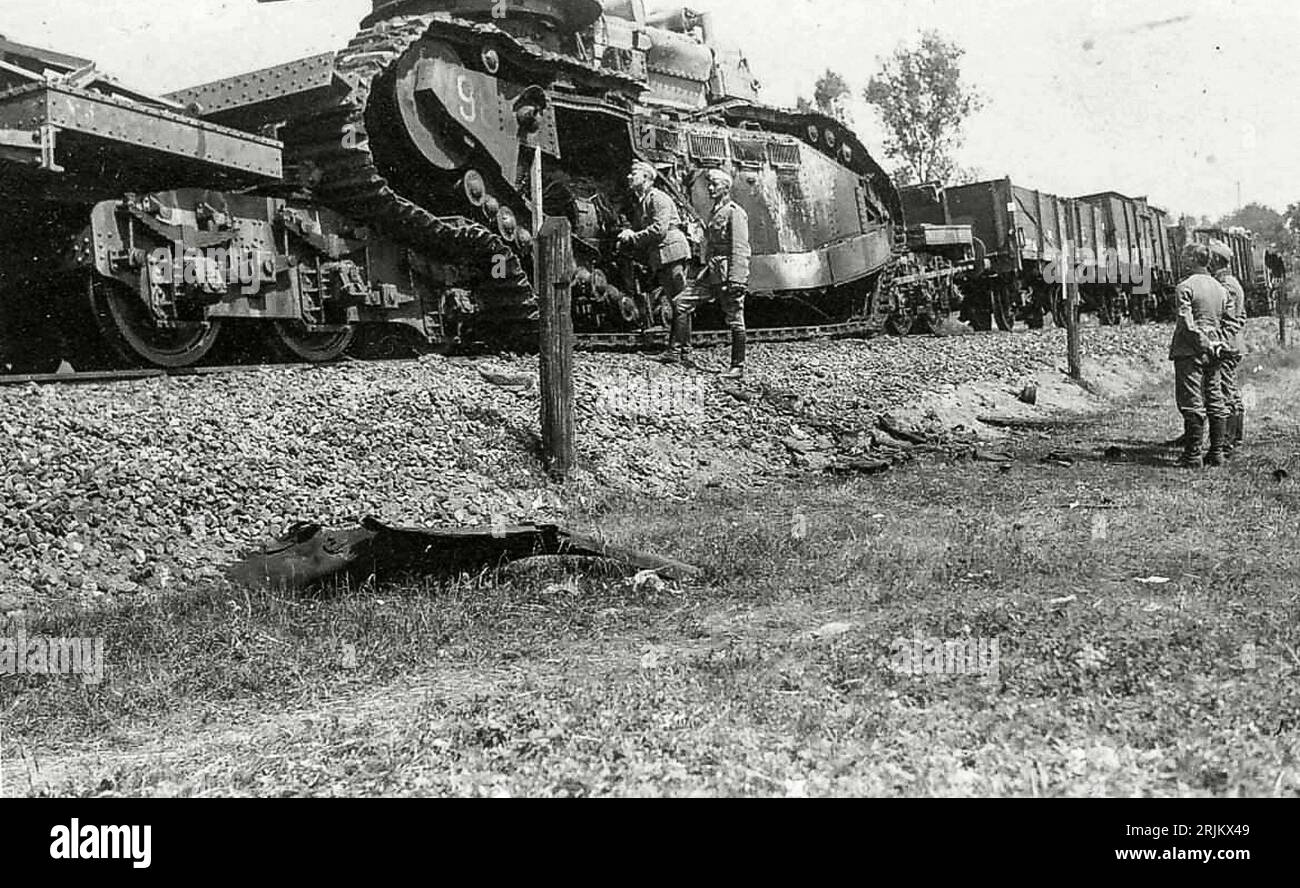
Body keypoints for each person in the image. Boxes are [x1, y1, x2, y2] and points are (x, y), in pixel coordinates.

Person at [668, 168, 751, 378]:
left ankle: (737, 367)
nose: (711, 189)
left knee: (735, 319)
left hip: (727, 275)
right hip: (711, 273)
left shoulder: (735, 212)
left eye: (714, 185)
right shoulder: (715, 212)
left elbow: (740, 248)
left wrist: (737, 279)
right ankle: (678, 353)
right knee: (680, 303)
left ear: (725, 187)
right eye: (710, 185)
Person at [616, 161, 692, 349]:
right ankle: (678, 347)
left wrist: (633, 237)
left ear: (646, 178)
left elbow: (659, 229)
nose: (629, 176)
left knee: (680, 302)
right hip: (662, 254)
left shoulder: (658, 198)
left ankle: (681, 348)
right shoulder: (644, 201)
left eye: (634, 173)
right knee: (676, 301)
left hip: (672, 251)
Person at [1168, 242, 1230, 468]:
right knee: (1215, 398)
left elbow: (1186, 322)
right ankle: (1216, 453)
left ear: (1194, 259)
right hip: (1214, 349)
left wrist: (1201, 342)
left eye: (1185, 257)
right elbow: (1224, 320)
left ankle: (1193, 455)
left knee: (1192, 400)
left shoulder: (1185, 287)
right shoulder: (1220, 288)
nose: (1183, 261)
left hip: (1190, 349)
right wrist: (1215, 344)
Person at [1208, 240, 1247, 455]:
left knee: (1226, 391)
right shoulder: (1228, 282)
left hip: (1227, 345)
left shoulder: (1227, 285)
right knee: (1226, 389)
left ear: (1216, 260)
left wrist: (1220, 340)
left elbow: (1231, 319)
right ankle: (1231, 437)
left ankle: (1230, 441)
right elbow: (1242, 317)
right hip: (1231, 342)